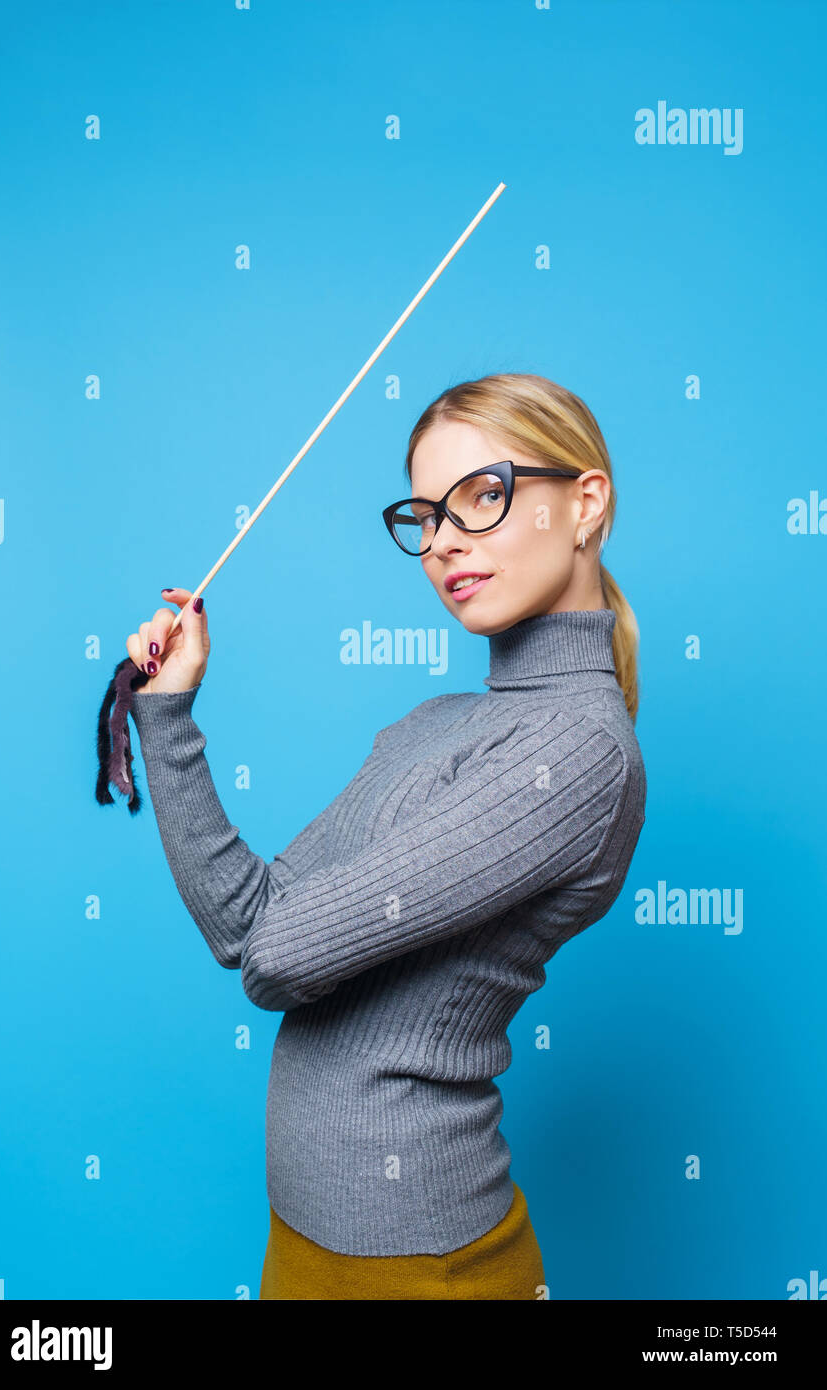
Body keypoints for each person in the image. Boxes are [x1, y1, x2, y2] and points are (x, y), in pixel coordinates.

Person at [125, 372, 647, 1300]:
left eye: (484, 496)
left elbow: (279, 958)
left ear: (586, 503)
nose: (445, 541)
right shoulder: (436, 722)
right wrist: (167, 716)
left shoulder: (578, 754)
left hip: (420, 1269)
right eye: (425, 515)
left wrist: (282, 934)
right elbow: (243, 927)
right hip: (308, 1242)